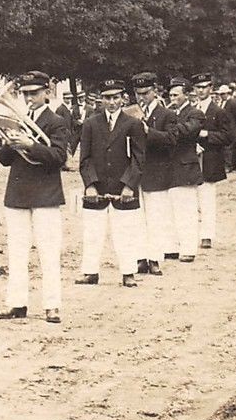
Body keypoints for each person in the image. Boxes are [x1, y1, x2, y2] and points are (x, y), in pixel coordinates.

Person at [0, 71, 72, 323]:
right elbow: (4, 160)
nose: (29, 98)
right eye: (25, 94)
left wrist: (31, 145)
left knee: (48, 252)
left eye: (34, 93)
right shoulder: (17, 119)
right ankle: (17, 303)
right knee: (16, 252)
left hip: (45, 194)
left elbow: (59, 157)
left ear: (47, 93)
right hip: (17, 193)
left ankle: (52, 305)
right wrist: (9, 142)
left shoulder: (57, 121)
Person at [75, 79, 146, 289]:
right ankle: (90, 272)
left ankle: (128, 272)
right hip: (97, 189)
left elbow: (138, 159)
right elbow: (85, 158)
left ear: (123, 98)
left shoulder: (134, 124)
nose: (112, 102)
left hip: (122, 189)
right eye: (107, 98)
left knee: (125, 233)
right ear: (101, 99)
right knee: (92, 233)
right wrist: (90, 184)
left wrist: (129, 185)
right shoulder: (90, 124)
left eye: (116, 97)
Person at [131, 72, 182, 276]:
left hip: (157, 172)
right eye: (137, 93)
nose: (141, 97)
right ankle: (140, 257)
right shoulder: (130, 113)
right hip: (135, 173)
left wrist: (147, 131)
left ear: (155, 91)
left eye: (145, 93)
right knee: (137, 218)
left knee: (156, 218)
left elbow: (171, 140)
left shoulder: (167, 114)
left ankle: (155, 258)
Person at [166, 79, 204, 263]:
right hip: (171, 167)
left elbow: (187, 131)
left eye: (176, 95)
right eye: (171, 95)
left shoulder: (195, 113)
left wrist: (167, 127)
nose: (172, 98)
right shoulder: (170, 112)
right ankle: (173, 247)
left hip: (186, 166)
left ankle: (189, 248)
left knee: (186, 210)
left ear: (186, 95)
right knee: (171, 209)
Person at [195, 77, 232, 249]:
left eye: (204, 87)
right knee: (191, 200)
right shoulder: (192, 109)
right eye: (198, 87)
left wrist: (207, 135)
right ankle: (192, 233)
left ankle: (206, 235)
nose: (201, 91)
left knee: (207, 199)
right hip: (191, 161)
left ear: (211, 88)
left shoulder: (218, 111)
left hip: (209, 161)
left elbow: (228, 137)